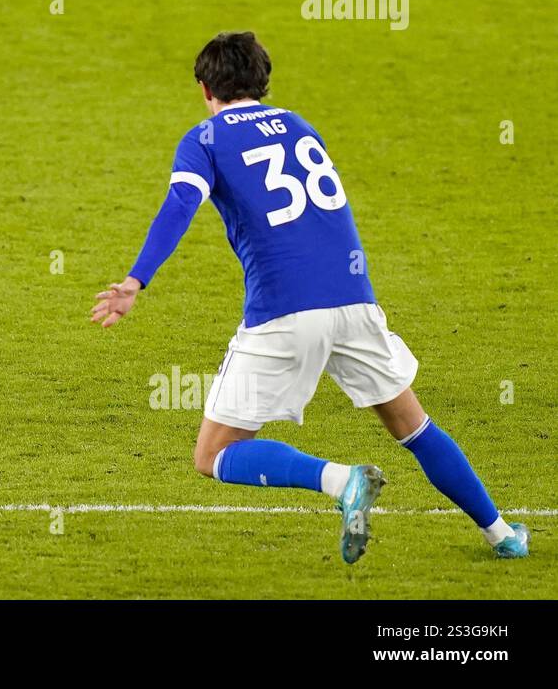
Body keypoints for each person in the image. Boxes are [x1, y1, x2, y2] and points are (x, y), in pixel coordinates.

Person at [91, 31, 528, 562]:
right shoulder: (301, 126)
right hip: (356, 302)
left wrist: (136, 280)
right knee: (413, 426)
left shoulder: (204, 138)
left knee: (214, 454)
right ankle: (502, 533)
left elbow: (181, 204)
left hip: (284, 312)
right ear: (263, 80)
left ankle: (341, 480)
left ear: (205, 87)